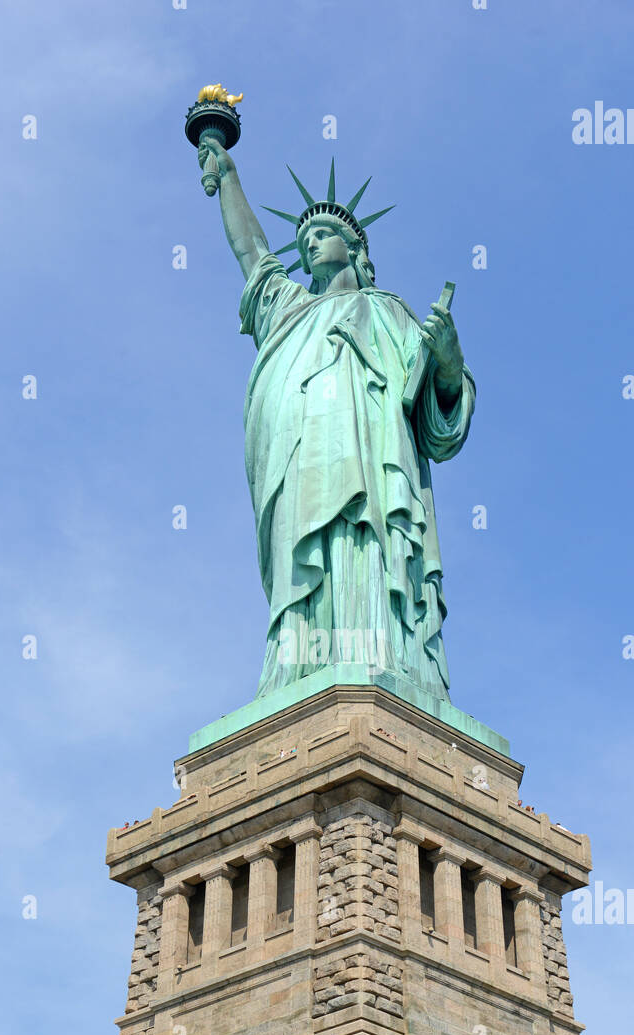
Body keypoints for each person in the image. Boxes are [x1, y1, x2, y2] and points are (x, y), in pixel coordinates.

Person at [199, 136, 476, 702]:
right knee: (308, 558)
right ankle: (297, 673)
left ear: (354, 249)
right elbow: (252, 253)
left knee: (364, 551)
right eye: (302, 239)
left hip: (374, 472)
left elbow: (436, 422)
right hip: (301, 465)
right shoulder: (287, 309)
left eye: (321, 234)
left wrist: (447, 362)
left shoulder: (388, 313)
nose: (309, 243)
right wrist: (227, 176)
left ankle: (382, 662)